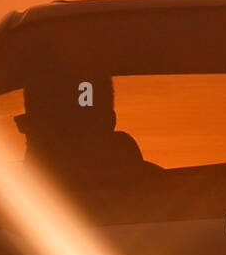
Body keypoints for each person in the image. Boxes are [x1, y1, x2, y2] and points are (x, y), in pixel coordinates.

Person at [14, 74, 148, 188]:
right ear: (110, 120)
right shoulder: (162, 198)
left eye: (55, 132)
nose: (29, 138)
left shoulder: (8, 207)